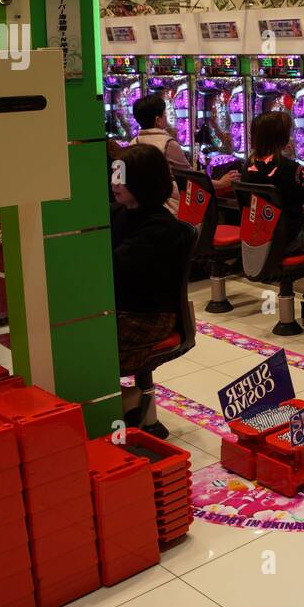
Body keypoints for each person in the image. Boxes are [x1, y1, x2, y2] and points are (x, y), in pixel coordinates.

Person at [110, 144, 195, 438]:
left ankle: (132, 408)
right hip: (126, 308)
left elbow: (112, 265)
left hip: (147, 317)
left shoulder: (159, 228)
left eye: (120, 177)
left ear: (143, 181)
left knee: (83, 348)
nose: (114, 183)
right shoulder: (124, 213)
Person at [245, 111, 304, 327]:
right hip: (289, 237)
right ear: (283, 139)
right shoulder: (290, 169)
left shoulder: (247, 167)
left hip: (261, 238)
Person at [132, 93, 189, 214]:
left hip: (140, 207)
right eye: (165, 114)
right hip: (167, 209)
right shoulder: (168, 143)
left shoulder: (132, 143)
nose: (167, 117)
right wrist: (221, 183)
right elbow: (191, 179)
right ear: (158, 120)